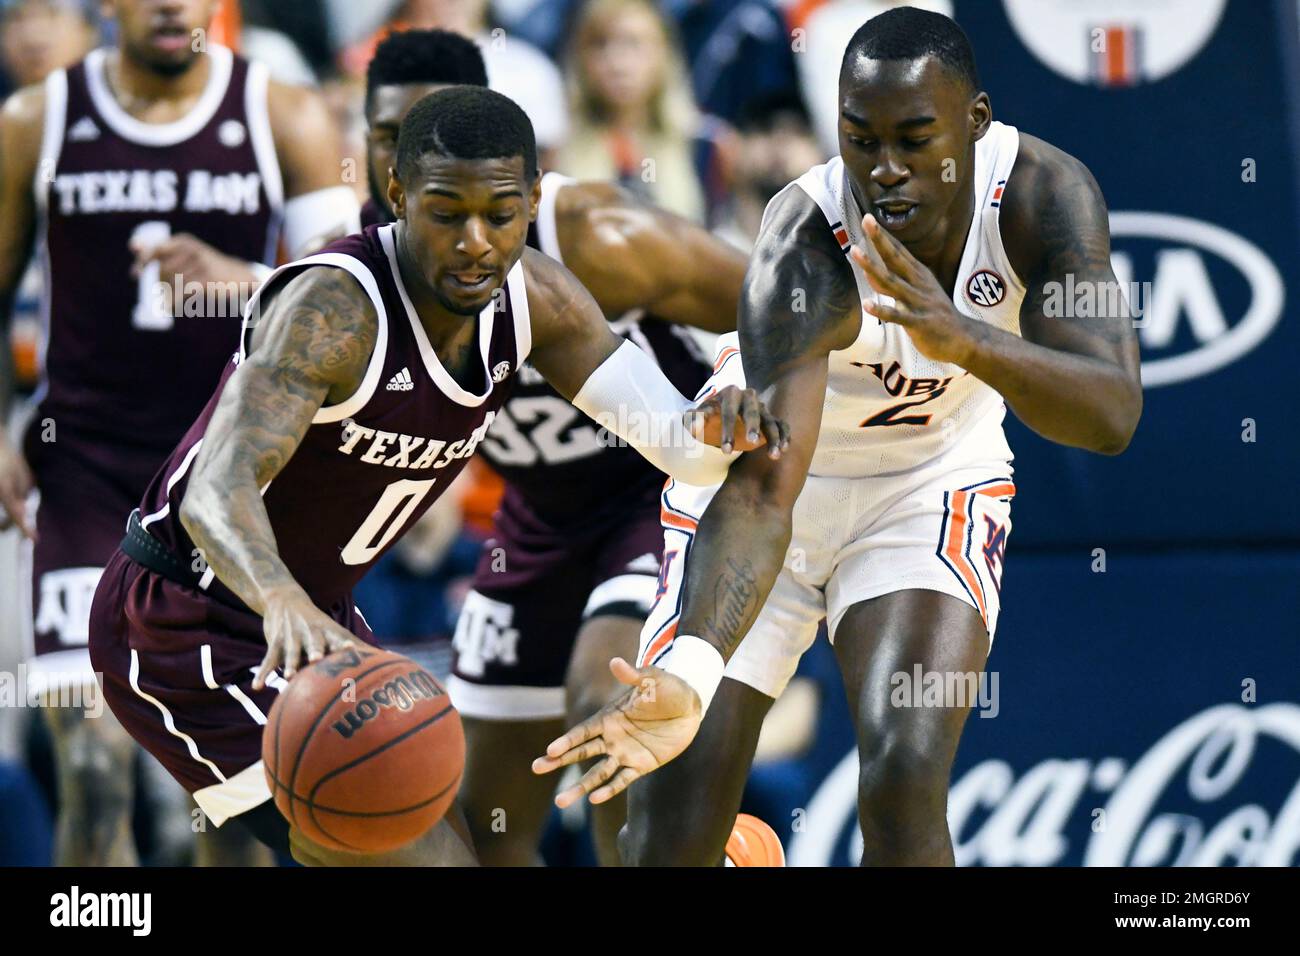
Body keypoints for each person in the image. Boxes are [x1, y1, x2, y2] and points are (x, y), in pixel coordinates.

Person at [86, 85, 787, 866]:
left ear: (532, 202)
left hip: (314, 623)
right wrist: (279, 597)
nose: (475, 242)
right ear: (397, 196)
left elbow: (680, 447)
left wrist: (720, 417)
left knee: (442, 847)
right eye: (446, 214)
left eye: (500, 215)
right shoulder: (336, 309)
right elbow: (216, 490)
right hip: (187, 618)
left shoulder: (538, 300)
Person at [534, 6, 1143, 866]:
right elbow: (764, 490)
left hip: (928, 482)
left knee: (902, 777)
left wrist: (963, 338)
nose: (885, 170)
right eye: (860, 140)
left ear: (975, 123)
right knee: (666, 838)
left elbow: (1112, 413)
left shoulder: (1043, 195)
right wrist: (694, 670)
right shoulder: (803, 245)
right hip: (770, 486)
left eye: (913, 138)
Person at [356, 29, 751, 865]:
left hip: (662, 494)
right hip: (537, 521)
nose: (403, 161)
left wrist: (743, 396)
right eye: (387, 137)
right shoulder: (366, 264)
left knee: (603, 698)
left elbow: (775, 304)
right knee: (481, 817)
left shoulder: (595, 234)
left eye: (423, 134)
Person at [0, 0, 358, 865]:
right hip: (85, 469)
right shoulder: (36, 119)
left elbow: (356, 308)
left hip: (230, 481)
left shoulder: (286, 113)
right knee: (92, 772)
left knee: (230, 799)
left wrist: (250, 279)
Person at [557, 0, 705, 221]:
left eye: (633, 44)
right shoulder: (556, 153)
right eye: (600, 45)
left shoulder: (705, 147)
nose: (617, 64)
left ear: (663, 53)